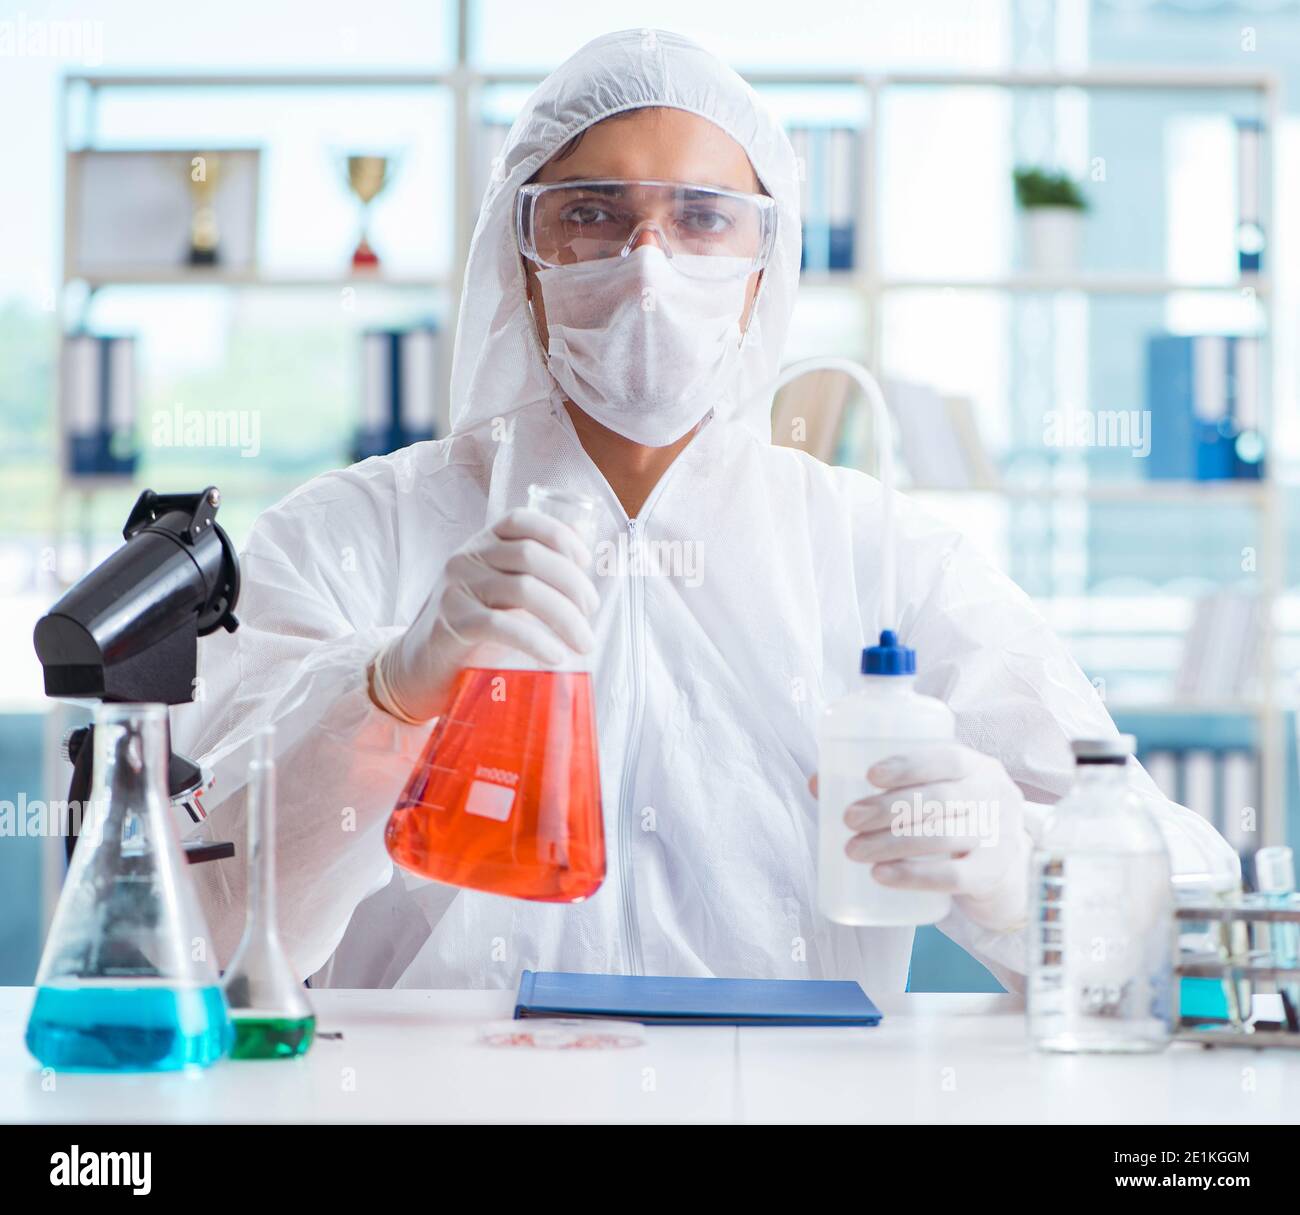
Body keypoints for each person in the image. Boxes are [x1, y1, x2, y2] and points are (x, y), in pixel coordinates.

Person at [173, 28, 1238, 992]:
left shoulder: (880, 555)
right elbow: (198, 923)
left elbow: (1192, 900)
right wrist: (384, 696)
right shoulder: (351, 537)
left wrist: (1022, 872)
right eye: (591, 214)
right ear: (523, 259)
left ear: (762, 264)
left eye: (701, 218)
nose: (649, 263)